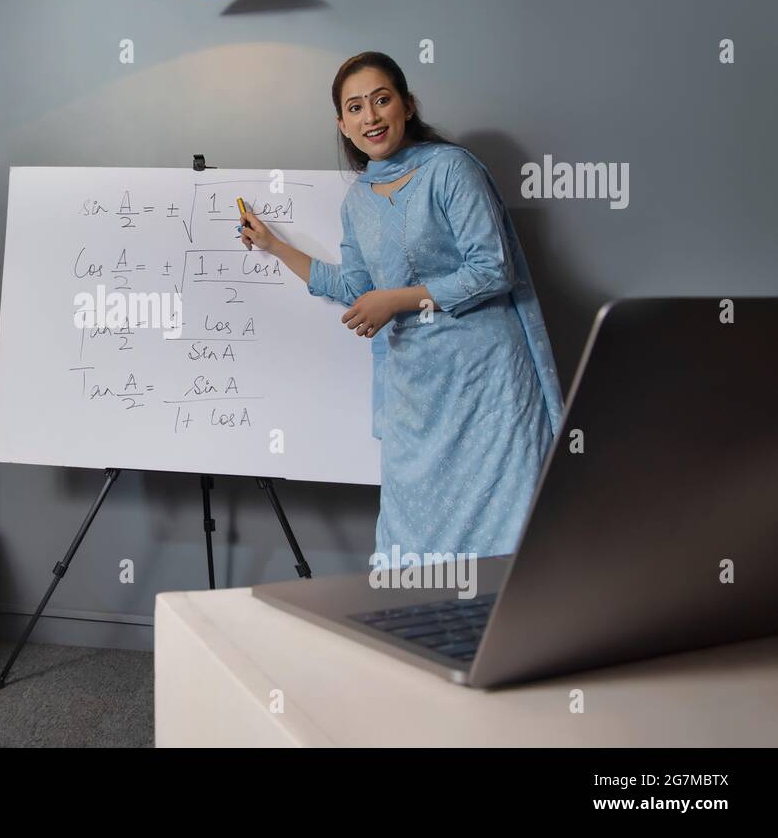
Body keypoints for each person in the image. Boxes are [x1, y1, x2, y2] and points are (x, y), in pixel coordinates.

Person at [239, 51, 564, 560]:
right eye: (355, 108)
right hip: (416, 392)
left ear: (407, 105)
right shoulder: (358, 203)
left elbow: (492, 270)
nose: (370, 116)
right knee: (414, 539)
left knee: (507, 524)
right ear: (342, 125)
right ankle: (427, 636)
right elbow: (354, 286)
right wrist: (275, 246)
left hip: (487, 382)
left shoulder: (451, 169)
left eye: (381, 100)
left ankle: (506, 634)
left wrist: (395, 300)